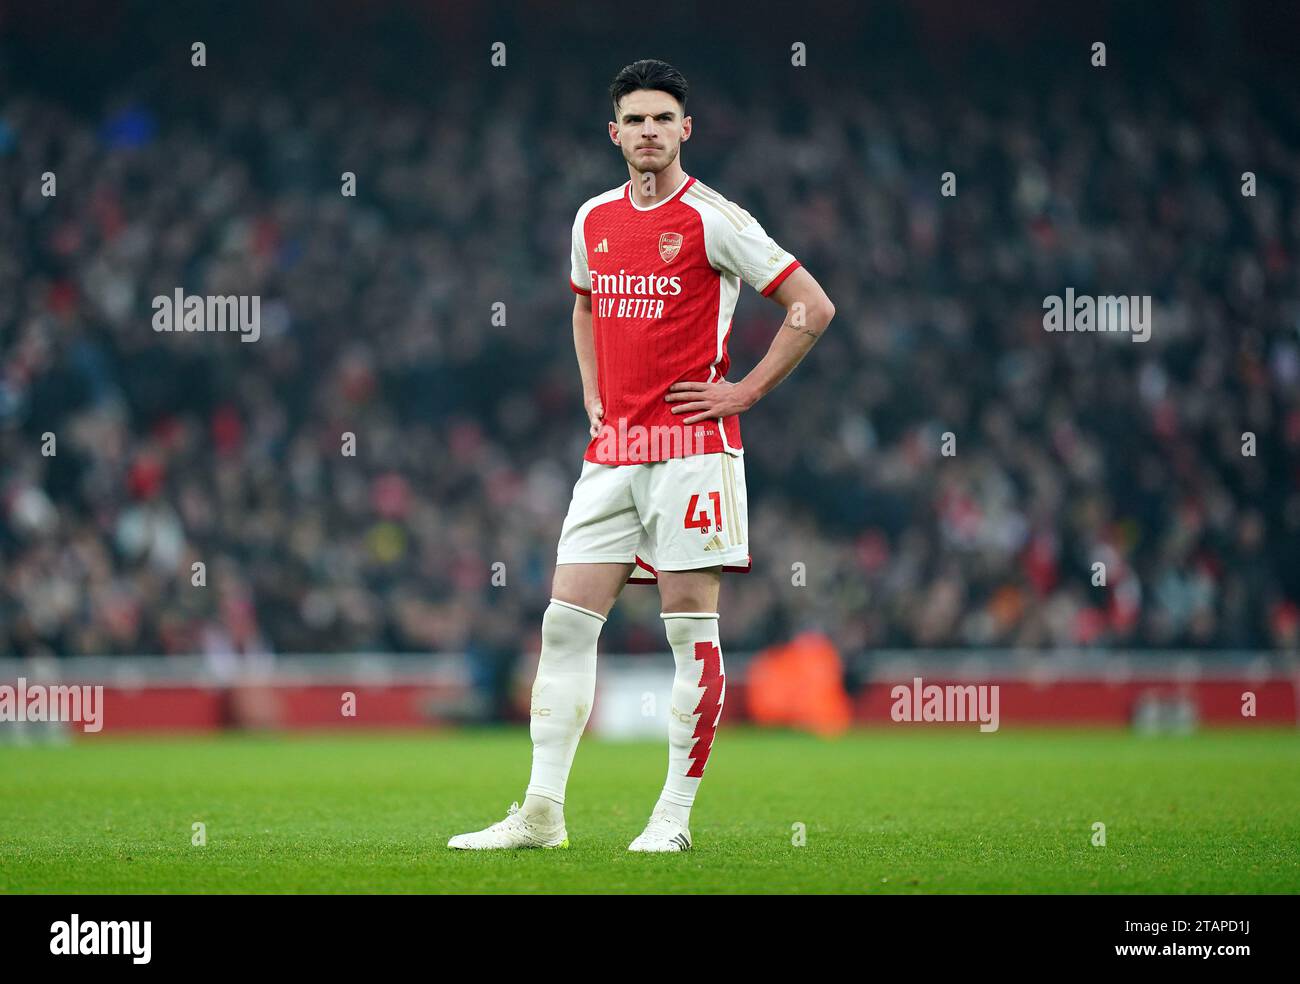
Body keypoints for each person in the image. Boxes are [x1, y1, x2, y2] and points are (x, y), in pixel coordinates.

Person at [449, 58, 835, 852]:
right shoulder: (592, 218)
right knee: (563, 627)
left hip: (693, 453)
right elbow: (585, 307)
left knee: (690, 635)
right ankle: (541, 816)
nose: (650, 131)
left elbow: (812, 305)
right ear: (614, 131)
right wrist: (592, 392)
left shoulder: (713, 218)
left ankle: (672, 820)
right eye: (637, 119)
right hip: (613, 453)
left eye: (664, 118)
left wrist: (744, 392)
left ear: (685, 130)